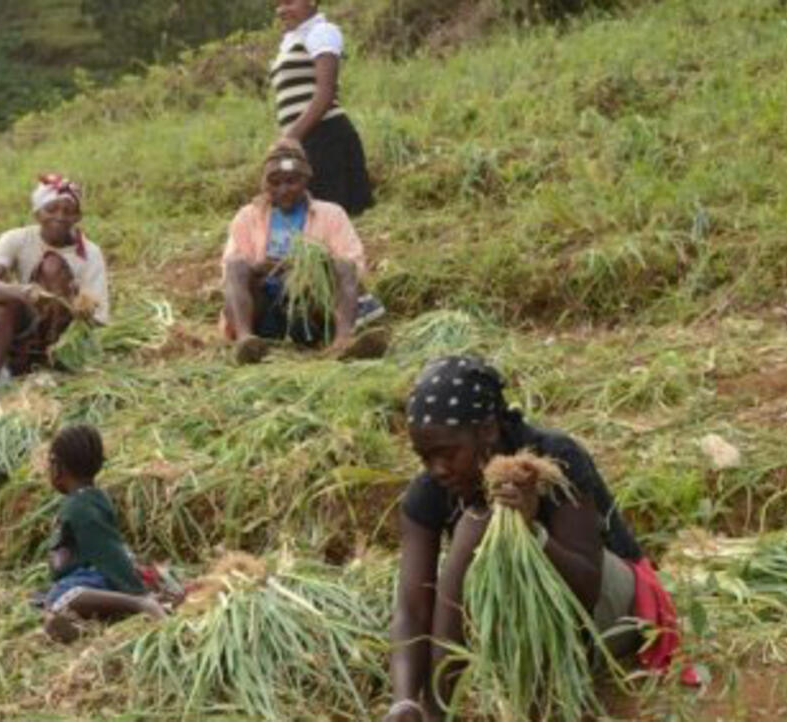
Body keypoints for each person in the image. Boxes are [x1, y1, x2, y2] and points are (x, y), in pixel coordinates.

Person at [384, 355, 684, 722]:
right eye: (424, 457)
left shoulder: (554, 459)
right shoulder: (431, 489)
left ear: (488, 430)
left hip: (612, 611)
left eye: (447, 453)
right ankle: (435, 707)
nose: (437, 469)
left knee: (472, 534)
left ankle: (442, 708)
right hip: (525, 629)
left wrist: (533, 530)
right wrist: (403, 702)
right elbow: (412, 608)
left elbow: (587, 587)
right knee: (470, 539)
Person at [221, 139, 387, 365]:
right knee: (236, 266)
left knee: (344, 267)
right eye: (275, 182)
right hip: (264, 306)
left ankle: (343, 340)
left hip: (312, 307)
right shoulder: (248, 217)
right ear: (264, 183)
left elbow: (354, 263)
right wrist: (263, 267)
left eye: (292, 182)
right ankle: (246, 340)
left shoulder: (331, 214)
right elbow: (229, 271)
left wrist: (314, 266)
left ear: (306, 180)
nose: (283, 189)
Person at [0, 174, 109, 384]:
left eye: (68, 211)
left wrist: (79, 307)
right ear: (37, 214)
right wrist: (24, 292)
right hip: (29, 325)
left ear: (78, 217)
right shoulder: (16, 239)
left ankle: (55, 365)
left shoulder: (90, 253)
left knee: (52, 265)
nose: (60, 217)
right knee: (4, 307)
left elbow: (99, 320)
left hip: (65, 333)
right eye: (51, 210)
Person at [38, 425, 165, 643]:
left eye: (50, 463)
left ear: (59, 468)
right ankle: (82, 630)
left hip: (94, 579)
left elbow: (108, 550)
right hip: (89, 578)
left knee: (58, 598)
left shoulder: (81, 508)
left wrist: (139, 594)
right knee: (52, 599)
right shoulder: (87, 499)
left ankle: (139, 606)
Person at [271, 0, 373, 215]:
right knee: (308, 221)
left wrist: (290, 138)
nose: (281, 10)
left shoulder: (321, 32)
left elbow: (325, 94)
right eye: (277, 4)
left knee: (328, 219)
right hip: (306, 139)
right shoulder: (291, 41)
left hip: (327, 138)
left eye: (289, 2)